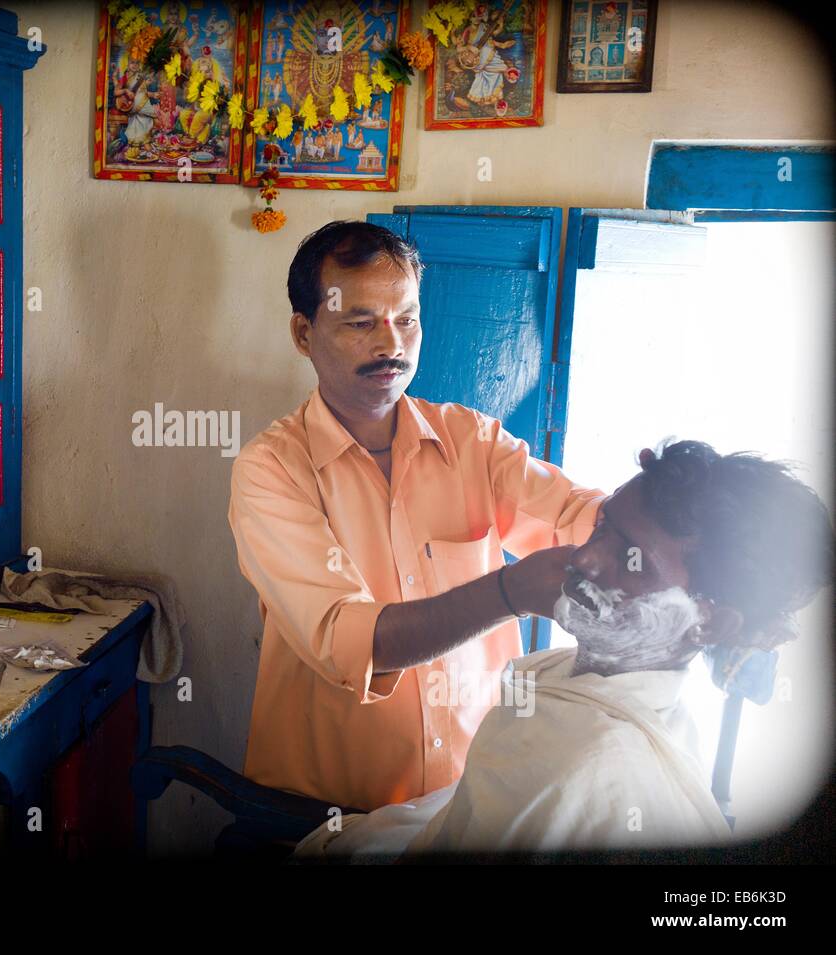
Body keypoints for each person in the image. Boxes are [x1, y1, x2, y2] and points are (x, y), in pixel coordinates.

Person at [294, 440, 834, 857]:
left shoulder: (599, 773)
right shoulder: (561, 679)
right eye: (601, 528)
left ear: (710, 622)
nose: (586, 559)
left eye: (632, 559)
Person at [228, 220, 604, 812]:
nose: (390, 345)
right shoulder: (271, 470)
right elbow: (346, 639)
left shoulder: (472, 442)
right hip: (328, 812)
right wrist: (508, 591)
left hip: (470, 796)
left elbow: (576, 519)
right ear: (304, 333)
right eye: (360, 323)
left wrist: (656, 517)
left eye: (406, 319)